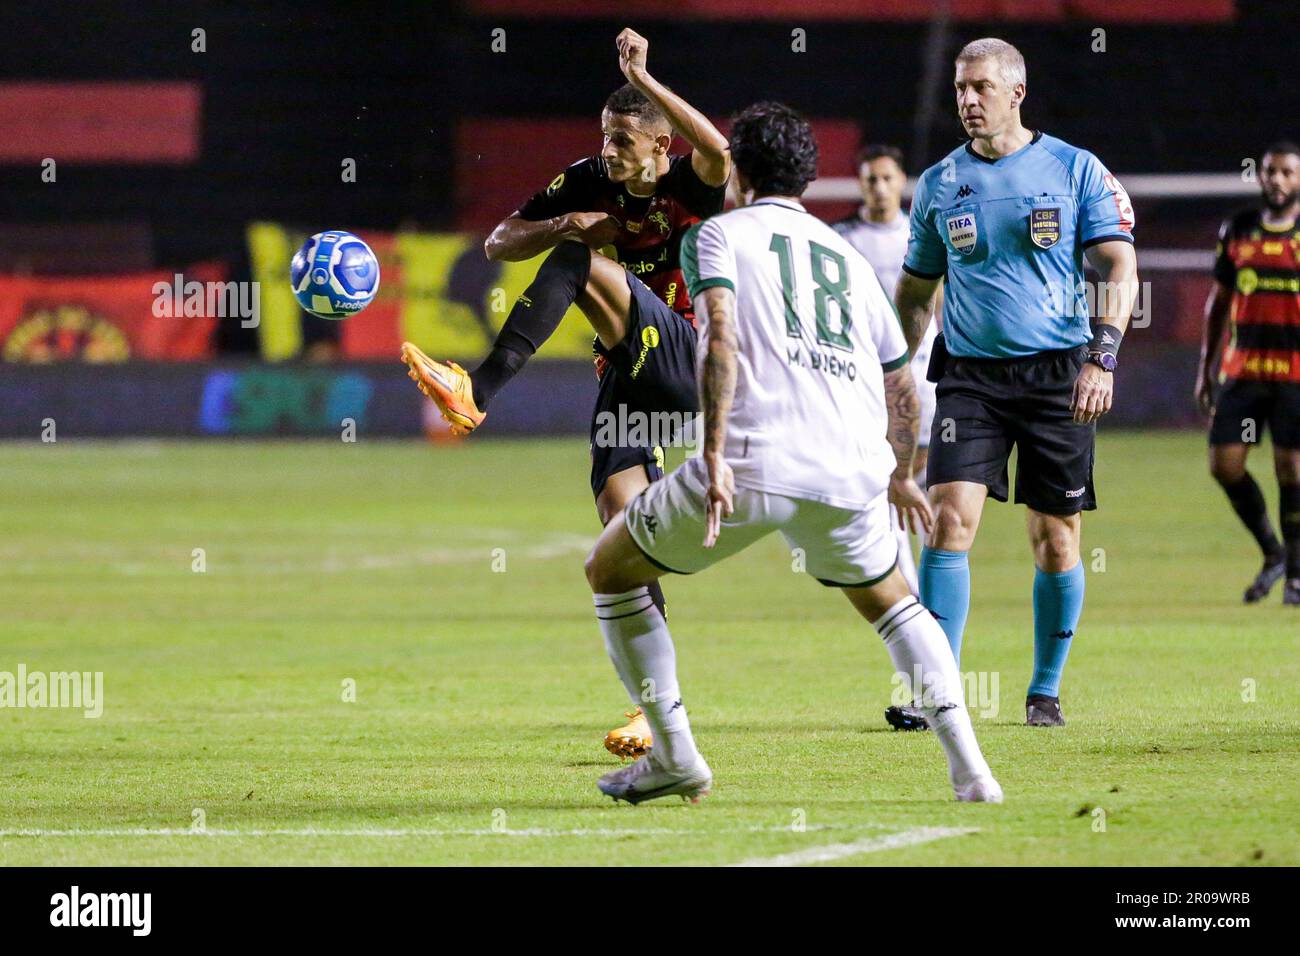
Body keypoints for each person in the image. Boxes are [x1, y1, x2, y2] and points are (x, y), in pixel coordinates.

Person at [583, 101, 1002, 805]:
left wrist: (711, 453)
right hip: (850, 467)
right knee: (895, 604)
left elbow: (719, 337)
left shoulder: (716, 235)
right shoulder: (850, 258)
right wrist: (901, 474)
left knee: (610, 568)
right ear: (808, 178)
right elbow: (900, 380)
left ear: (737, 171)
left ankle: (676, 756)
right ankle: (972, 771)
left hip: (756, 458)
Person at [400, 29, 730, 757]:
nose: (608, 151)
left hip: (685, 353)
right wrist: (561, 221)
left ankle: (475, 388)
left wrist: (651, 81)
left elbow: (719, 152)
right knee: (623, 537)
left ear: (658, 145)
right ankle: (654, 711)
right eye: (605, 137)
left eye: (622, 140)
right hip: (625, 374)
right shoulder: (588, 178)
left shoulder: (688, 186)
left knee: (579, 262)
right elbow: (497, 243)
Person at [894, 38, 1139, 727]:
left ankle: (1044, 690)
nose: (967, 101)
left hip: (1060, 374)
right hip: (969, 375)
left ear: (1016, 93)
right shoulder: (940, 183)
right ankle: (938, 692)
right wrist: (894, 370)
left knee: (1056, 538)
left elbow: (1120, 267)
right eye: (960, 89)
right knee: (947, 520)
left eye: (981, 88)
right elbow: (915, 291)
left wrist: (1104, 356)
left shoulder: (1074, 169)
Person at [832, 145, 944, 732]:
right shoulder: (840, 238)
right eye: (870, 178)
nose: (878, 186)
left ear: (903, 184)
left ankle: (930, 675)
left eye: (887, 178)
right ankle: (926, 680)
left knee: (924, 525)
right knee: (898, 523)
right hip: (867, 389)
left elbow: (940, 305)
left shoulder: (921, 235)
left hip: (921, 385)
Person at [1196, 141, 1300, 605]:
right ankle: (1273, 552)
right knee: (1225, 464)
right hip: (1245, 372)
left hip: (1295, 375)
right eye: (1270, 171)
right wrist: (1206, 367)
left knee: (1291, 470)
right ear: (1260, 176)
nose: (1277, 180)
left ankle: (1295, 574)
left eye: (1287, 173)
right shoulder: (1236, 229)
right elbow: (1217, 304)